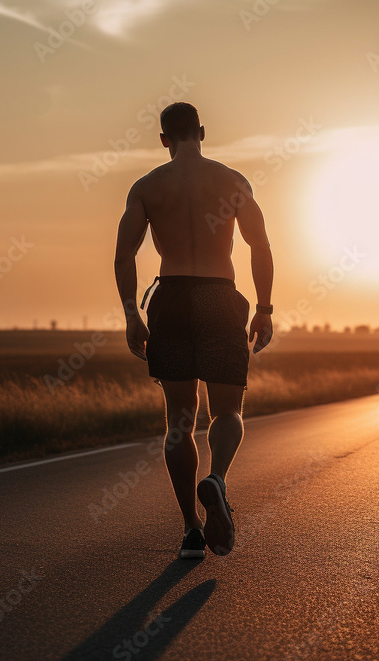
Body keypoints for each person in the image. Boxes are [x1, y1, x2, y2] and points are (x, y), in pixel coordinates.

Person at [113, 102, 274, 559]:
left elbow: (124, 256)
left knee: (179, 418)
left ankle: (189, 529)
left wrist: (131, 314)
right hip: (219, 295)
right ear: (201, 132)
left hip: (173, 298)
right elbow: (258, 244)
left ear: (163, 139)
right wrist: (263, 307)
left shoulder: (146, 187)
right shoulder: (232, 181)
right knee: (227, 411)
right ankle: (217, 479)